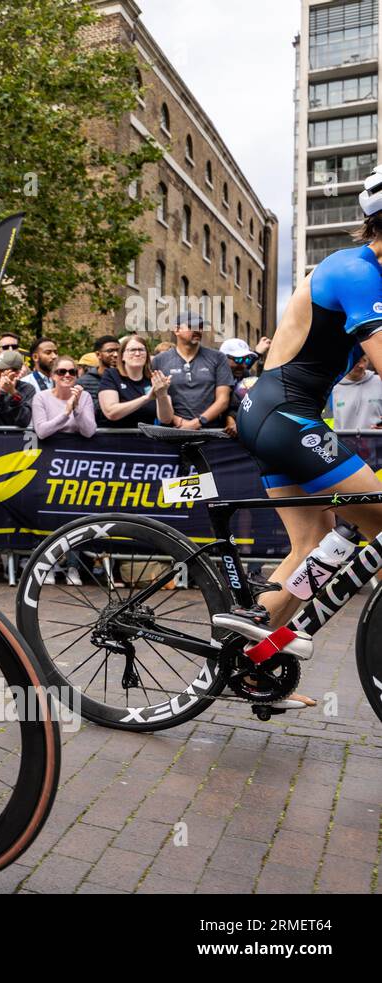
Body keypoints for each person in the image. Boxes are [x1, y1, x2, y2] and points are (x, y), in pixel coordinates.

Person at [223, 166, 382, 708]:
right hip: (282, 413)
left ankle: (247, 665)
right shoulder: (355, 270)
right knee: (378, 517)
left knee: (313, 543)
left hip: (279, 413)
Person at [152, 313, 234, 430]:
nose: (198, 330)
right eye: (192, 326)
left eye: (201, 327)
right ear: (177, 330)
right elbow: (155, 397)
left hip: (209, 431)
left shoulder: (218, 358)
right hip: (171, 432)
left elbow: (223, 400)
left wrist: (197, 423)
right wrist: (179, 422)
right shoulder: (159, 360)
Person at [98, 334, 175, 429]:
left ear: (147, 355)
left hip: (146, 440)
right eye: (132, 350)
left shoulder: (155, 378)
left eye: (141, 350)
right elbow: (111, 413)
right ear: (122, 356)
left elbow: (166, 419)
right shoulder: (111, 375)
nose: (137, 354)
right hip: (116, 440)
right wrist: (146, 398)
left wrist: (162, 395)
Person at [31, 356, 97, 440]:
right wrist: (66, 414)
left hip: (77, 448)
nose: (67, 375)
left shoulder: (84, 396)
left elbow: (89, 432)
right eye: (61, 372)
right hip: (50, 449)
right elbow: (41, 432)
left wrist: (76, 408)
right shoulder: (41, 397)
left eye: (72, 372)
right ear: (52, 376)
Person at [220, 337, 262, 435]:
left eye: (247, 360)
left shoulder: (246, 377)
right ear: (222, 358)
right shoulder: (211, 379)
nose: (243, 365)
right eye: (238, 359)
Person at [330, 352, 382, 431]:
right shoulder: (331, 389)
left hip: (376, 442)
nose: (361, 365)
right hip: (342, 442)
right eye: (357, 361)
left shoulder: (379, 382)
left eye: (364, 360)